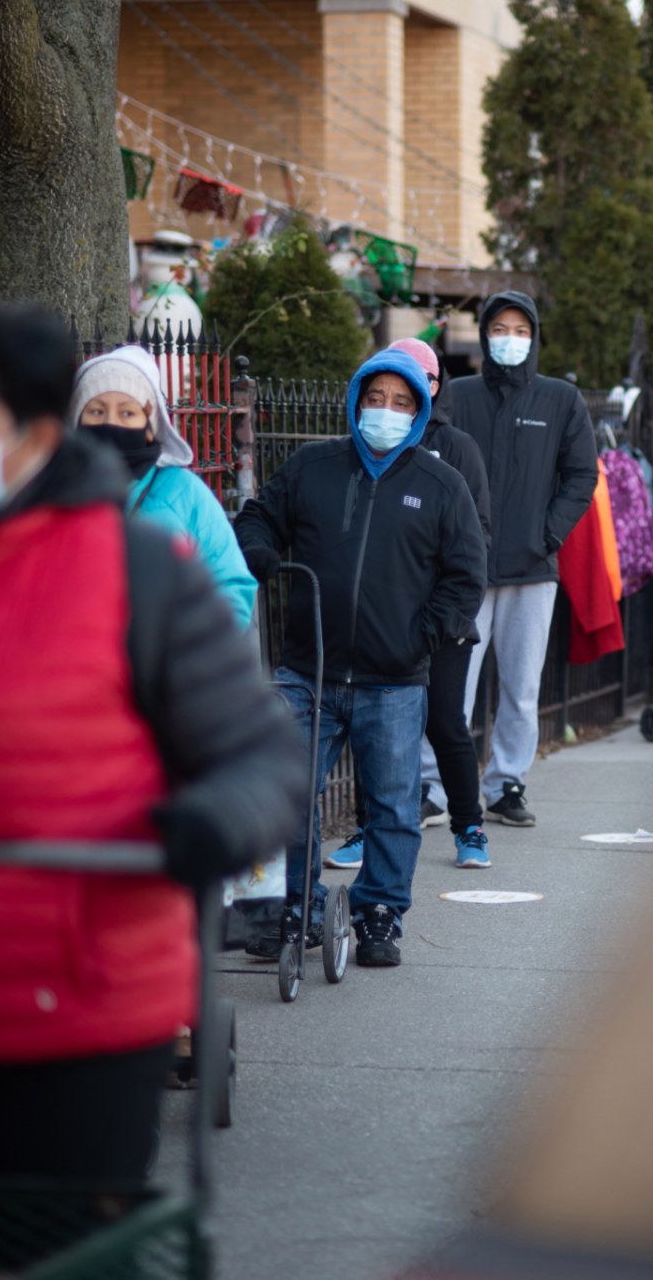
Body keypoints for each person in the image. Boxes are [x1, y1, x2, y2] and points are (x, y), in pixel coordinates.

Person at [0, 301, 305, 1233]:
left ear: (36, 436)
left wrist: (210, 820)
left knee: (68, 1244)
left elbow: (260, 751)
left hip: (82, 1003)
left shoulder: (141, 571)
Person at [234, 347, 486, 967]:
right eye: (375, 399)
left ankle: (380, 913)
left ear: (421, 411)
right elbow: (258, 519)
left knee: (395, 805)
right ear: (355, 402)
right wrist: (260, 551)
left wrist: (420, 637)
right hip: (307, 670)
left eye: (402, 403)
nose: (386, 412)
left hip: (395, 680)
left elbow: (466, 575)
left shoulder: (440, 485)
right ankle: (296, 905)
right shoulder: (313, 466)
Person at [327, 338, 497, 874]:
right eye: (384, 388)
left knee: (446, 723)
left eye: (418, 379)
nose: (396, 400)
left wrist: (438, 616)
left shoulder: (459, 449)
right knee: (368, 726)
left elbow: (476, 538)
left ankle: (468, 826)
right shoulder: (356, 454)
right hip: (378, 622)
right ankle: (365, 829)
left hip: (439, 625)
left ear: (434, 387)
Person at [442, 291, 599, 829]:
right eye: (499, 328)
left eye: (520, 329)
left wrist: (548, 534)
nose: (509, 338)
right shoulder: (458, 396)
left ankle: (507, 783)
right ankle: (434, 789)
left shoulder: (560, 400)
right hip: (463, 570)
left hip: (531, 571)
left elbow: (583, 475)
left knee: (521, 686)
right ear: (484, 334)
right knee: (450, 685)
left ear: (534, 337)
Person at [70, 343, 256, 628]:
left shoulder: (185, 492)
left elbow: (230, 584)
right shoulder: (54, 492)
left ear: (150, 424)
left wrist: (191, 653)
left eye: (127, 413)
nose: (111, 422)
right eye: (96, 411)